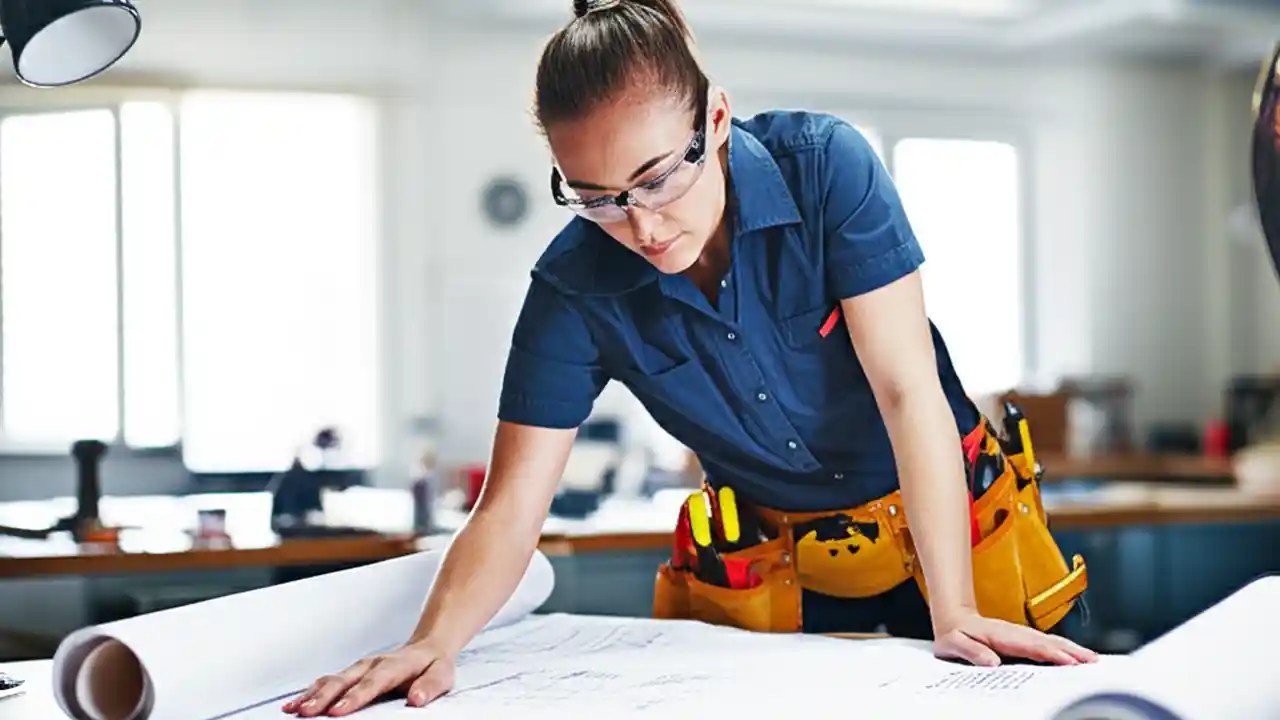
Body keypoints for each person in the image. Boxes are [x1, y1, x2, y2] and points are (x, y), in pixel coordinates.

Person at [284, 0, 1097, 715]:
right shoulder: (574, 288)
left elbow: (905, 390)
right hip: (784, 564)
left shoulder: (824, 170)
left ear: (714, 122)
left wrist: (951, 611)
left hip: (961, 528)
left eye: (657, 178)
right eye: (597, 198)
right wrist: (434, 642)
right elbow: (508, 510)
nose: (640, 226)